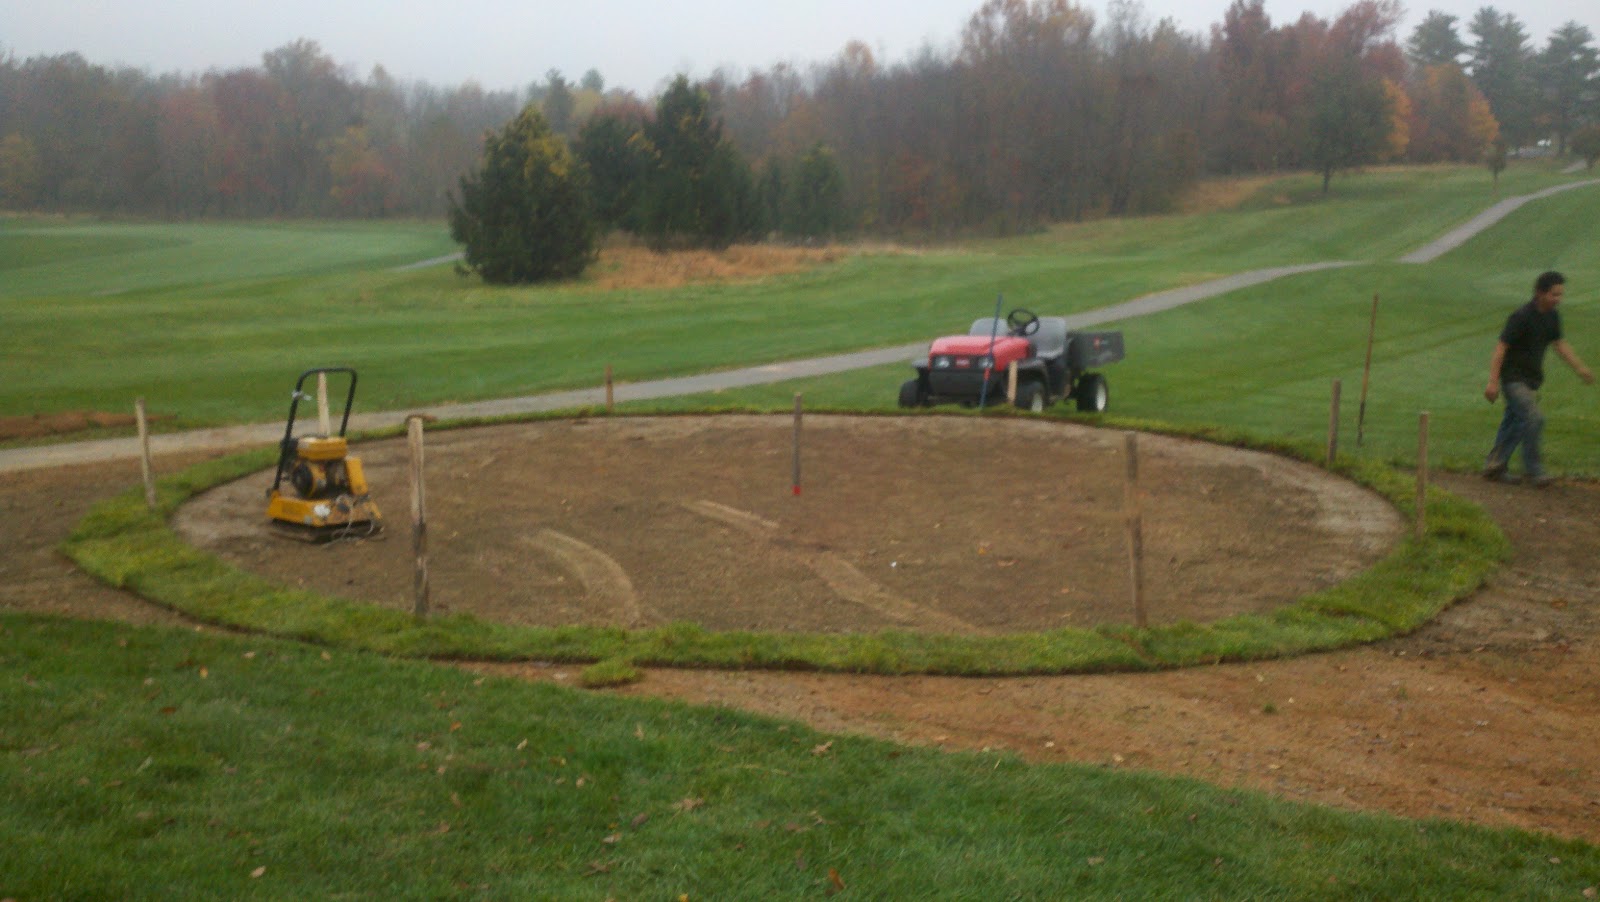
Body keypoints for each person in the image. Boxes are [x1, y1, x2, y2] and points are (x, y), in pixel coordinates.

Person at [1483, 270, 1594, 486]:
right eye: (1554, 295)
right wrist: (1492, 381)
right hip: (1513, 379)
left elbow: (1559, 344)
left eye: (1560, 295)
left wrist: (1580, 369)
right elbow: (1500, 348)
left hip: (1531, 380)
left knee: (1515, 422)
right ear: (1539, 293)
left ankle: (1494, 466)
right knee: (1534, 418)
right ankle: (1534, 471)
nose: (1558, 299)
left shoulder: (1552, 316)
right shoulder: (1521, 317)